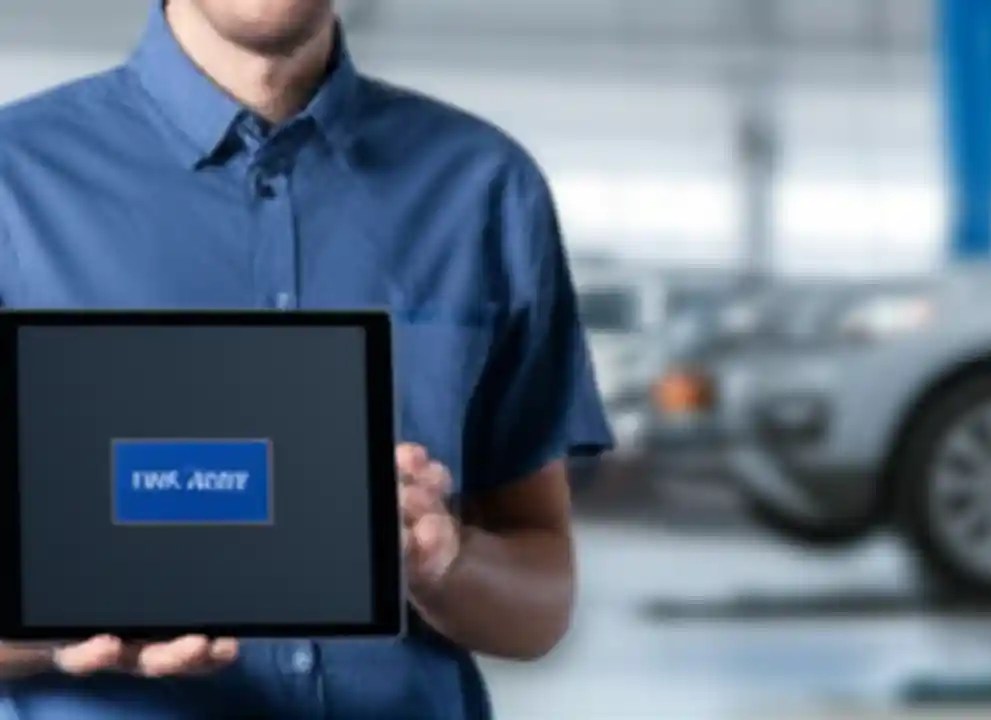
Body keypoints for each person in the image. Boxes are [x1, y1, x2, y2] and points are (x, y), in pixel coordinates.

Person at [0, 0, 612, 717]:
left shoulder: (484, 188)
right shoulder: (14, 186)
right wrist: (50, 639)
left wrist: (444, 563)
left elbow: (541, 600)